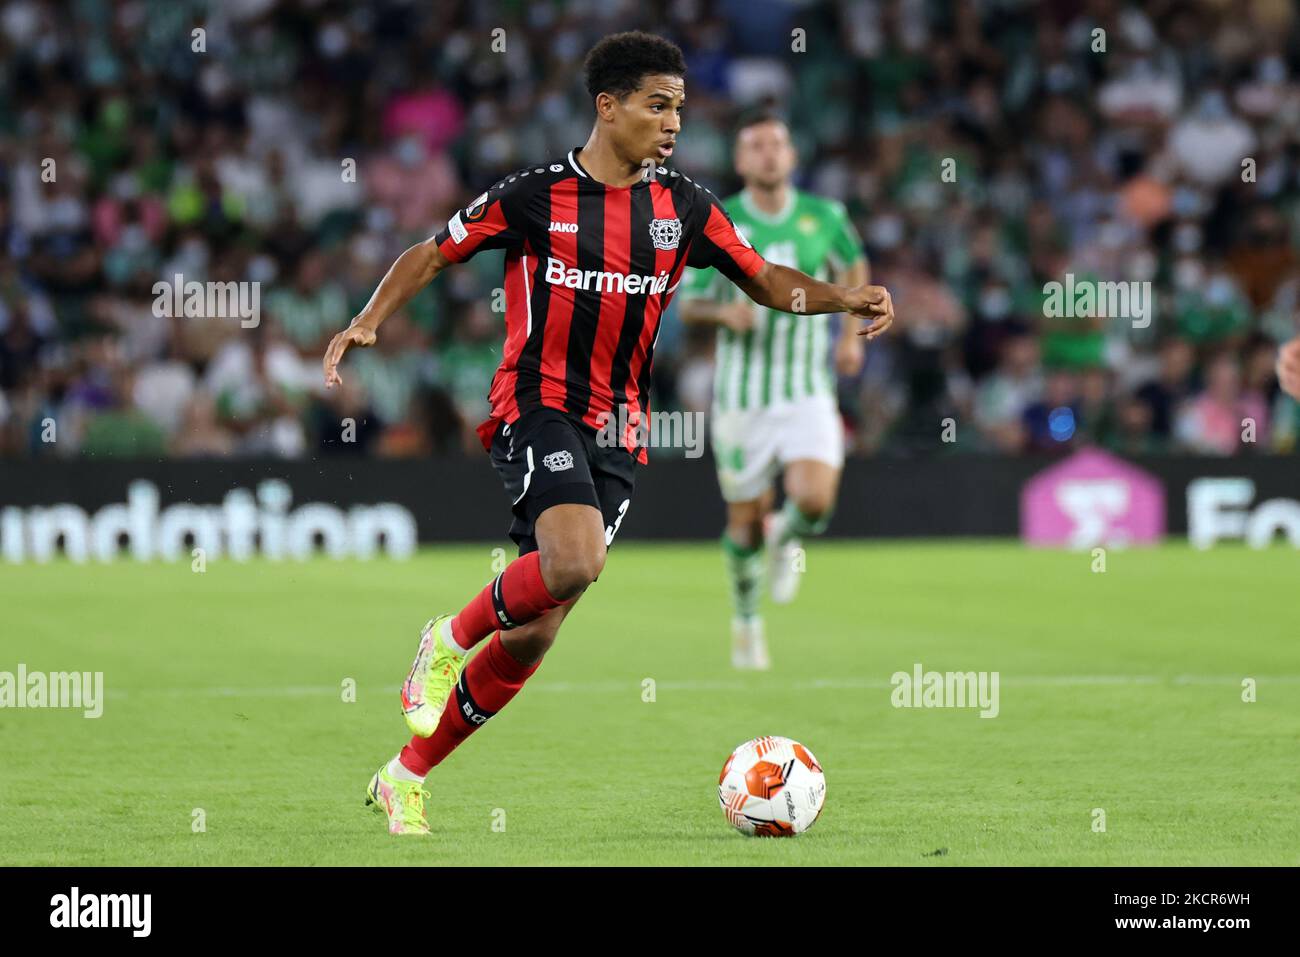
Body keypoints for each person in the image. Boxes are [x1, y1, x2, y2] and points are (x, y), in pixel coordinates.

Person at [321, 31, 895, 836]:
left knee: (539, 626)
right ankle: (446, 634)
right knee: (574, 560)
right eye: (657, 106)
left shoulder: (683, 207)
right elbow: (433, 252)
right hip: (536, 401)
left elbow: (763, 279)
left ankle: (404, 774)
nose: (673, 125)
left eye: (680, 110)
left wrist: (844, 297)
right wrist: (369, 319)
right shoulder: (532, 195)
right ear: (608, 106)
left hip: (621, 426)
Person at [677, 113, 869, 670]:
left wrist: (852, 339)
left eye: (777, 143)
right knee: (743, 521)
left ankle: (787, 534)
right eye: (756, 146)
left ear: (792, 156)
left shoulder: (824, 216)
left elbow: (854, 265)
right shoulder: (721, 218)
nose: (768, 154)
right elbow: (688, 303)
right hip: (741, 399)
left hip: (808, 389)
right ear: (740, 162)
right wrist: (723, 313)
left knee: (813, 501)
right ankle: (746, 619)